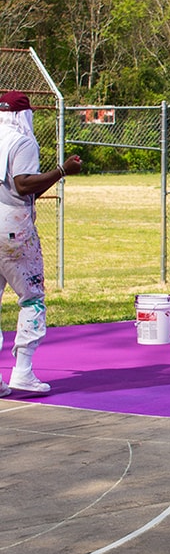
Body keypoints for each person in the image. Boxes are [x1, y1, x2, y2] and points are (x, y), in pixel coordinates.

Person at [0, 90, 82, 394]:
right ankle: (22, 370)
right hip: (13, 226)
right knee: (32, 297)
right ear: (24, 114)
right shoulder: (22, 140)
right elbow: (22, 185)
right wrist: (61, 171)